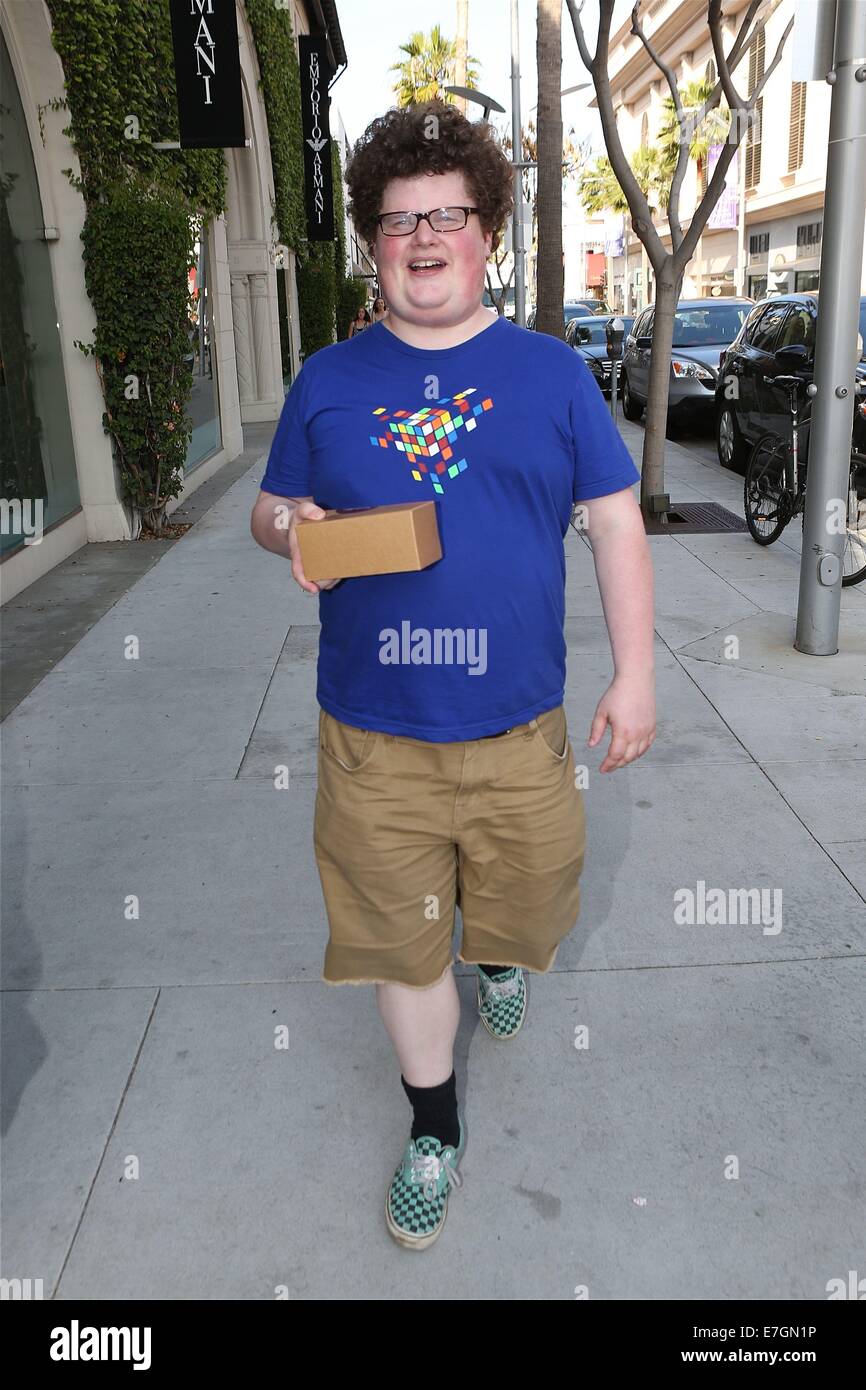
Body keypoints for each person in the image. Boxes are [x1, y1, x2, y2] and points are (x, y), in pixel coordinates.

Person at [250, 100, 655, 1252]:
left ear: (486, 233)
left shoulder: (552, 374)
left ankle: (496, 953)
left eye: (446, 215)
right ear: (371, 243)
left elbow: (616, 522)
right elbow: (268, 508)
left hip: (521, 729)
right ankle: (432, 1126)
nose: (421, 237)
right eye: (395, 219)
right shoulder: (327, 379)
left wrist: (634, 674)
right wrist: (292, 530)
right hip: (373, 736)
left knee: (516, 913)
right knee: (398, 941)